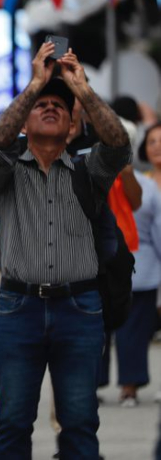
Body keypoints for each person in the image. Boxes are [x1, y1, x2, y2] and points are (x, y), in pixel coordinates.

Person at [0, 43, 131, 459]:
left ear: (71, 125)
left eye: (59, 107)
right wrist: (34, 85)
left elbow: (118, 144)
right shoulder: (4, 172)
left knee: (81, 422)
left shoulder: (90, 170)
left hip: (80, 308)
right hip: (18, 308)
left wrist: (81, 90)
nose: (50, 107)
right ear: (25, 123)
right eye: (41, 105)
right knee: (12, 421)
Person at [96, 132, 161, 407]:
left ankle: (130, 386)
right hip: (100, 265)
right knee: (95, 329)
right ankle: (92, 384)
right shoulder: (91, 175)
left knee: (133, 331)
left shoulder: (146, 186)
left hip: (142, 266)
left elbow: (157, 230)